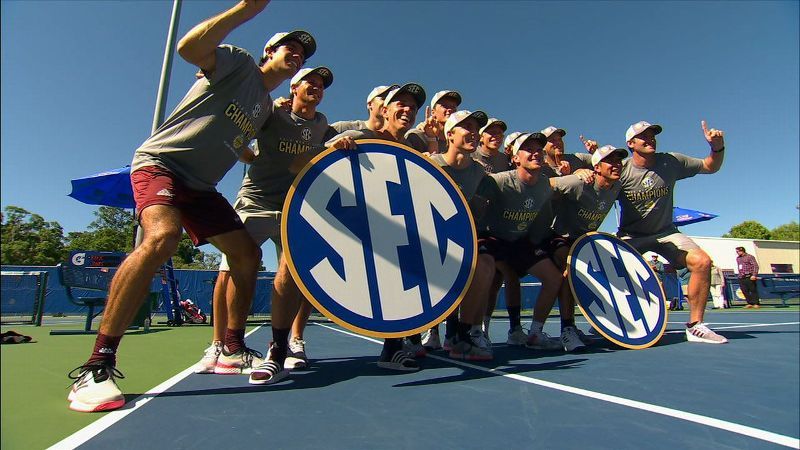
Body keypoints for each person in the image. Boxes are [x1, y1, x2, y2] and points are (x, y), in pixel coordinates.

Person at [67, 1, 314, 412]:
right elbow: (188, 49)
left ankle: (232, 348)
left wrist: (255, 147)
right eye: (290, 47)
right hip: (161, 165)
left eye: (303, 54)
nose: (297, 55)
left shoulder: (266, 109)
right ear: (269, 52)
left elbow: (244, 148)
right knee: (162, 237)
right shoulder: (238, 62)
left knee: (247, 255)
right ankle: (98, 365)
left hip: (200, 186)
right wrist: (246, 8)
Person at [193, 65, 340, 375]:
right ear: (293, 88)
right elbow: (234, 124)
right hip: (255, 201)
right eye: (309, 82)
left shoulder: (324, 124)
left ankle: (293, 341)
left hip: (294, 207)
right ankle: (219, 345)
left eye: (321, 85)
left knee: (298, 275)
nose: (316, 87)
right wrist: (249, 155)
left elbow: (350, 134)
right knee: (229, 271)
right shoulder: (273, 112)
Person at [326, 83, 429, 370]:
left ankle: (395, 347)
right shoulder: (364, 137)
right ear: (384, 110)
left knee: (409, 279)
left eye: (413, 107)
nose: (407, 110)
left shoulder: (411, 149)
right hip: (362, 227)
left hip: (400, 229)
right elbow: (323, 162)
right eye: (400, 104)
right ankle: (284, 346)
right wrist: (338, 146)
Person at [615, 119, 727, 344]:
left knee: (702, 262)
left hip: (666, 233)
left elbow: (710, 166)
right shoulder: (622, 171)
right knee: (607, 267)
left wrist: (717, 147)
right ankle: (612, 323)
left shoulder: (672, 161)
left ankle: (696, 326)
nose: (650, 139)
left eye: (652, 135)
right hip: (631, 236)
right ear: (630, 143)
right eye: (643, 136)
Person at [475, 132, 564, 351]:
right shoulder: (499, 181)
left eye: (538, 150)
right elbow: (472, 197)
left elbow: (544, 217)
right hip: (494, 238)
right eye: (528, 149)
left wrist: (582, 173)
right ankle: (479, 331)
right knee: (499, 277)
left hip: (519, 242)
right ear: (515, 158)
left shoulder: (545, 185)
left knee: (554, 277)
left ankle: (534, 333)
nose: (535, 153)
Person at [427, 109, 496, 360]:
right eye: (466, 127)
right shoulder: (430, 163)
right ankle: (417, 334)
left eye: (476, 129)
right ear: (450, 134)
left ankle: (463, 335)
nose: (474, 133)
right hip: (426, 238)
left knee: (486, 262)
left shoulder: (478, 172)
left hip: (459, 237)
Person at [546, 144, 628, 351]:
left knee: (612, 269)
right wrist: (574, 173)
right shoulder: (579, 182)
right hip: (558, 237)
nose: (617, 165)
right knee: (570, 270)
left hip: (585, 241)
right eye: (610, 161)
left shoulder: (618, 186)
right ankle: (567, 330)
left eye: (619, 161)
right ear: (597, 167)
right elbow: (545, 184)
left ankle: (606, 324)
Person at [405, 90, 462, 154]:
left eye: (453, 107)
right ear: (433, 112)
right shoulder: (417, 136)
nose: (450, 109)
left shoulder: (459, 142)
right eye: (445, 106)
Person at [329, 85, 398, 134]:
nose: (387, 103)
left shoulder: (399, 139)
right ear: (370, 104)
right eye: (384, 98)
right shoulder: (343, 128)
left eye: (391, 101)